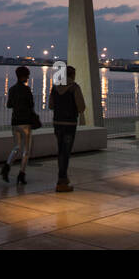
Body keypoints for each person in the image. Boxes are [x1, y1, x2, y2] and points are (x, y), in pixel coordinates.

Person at [49, 65, 86, 193]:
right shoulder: (74, 88)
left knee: (60, 151)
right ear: (72, 75)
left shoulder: (55, 87)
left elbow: (50, 105)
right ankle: (62, 181)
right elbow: (81, 107)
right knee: (66, 152)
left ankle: (63, 178)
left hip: (57, 123)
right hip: (69, 124)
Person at [1, 66, 36, 185]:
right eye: (27, 75)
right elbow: (31, 105)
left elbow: (9, 105)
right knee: (26, 150)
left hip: (15, 121)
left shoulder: (12, 89)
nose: (28, 77)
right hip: (25, 122)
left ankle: (6, 167)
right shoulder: (27, 90)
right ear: (23, 76)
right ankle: (22, 174)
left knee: (16, 147)